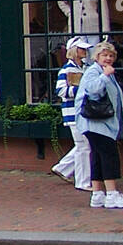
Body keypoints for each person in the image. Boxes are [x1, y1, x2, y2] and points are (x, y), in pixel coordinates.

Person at [75, 41, 123, 209]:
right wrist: (105, 76)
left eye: (110, 55)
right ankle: (112, 195)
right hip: (97, 123)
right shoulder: (96, 72)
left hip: (98, 124)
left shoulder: (103, 71)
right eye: (104, 55)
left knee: (98, 157)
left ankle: (97, 194)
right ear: (97, 57)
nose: (108, 58)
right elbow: (93, 90)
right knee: (109, 156)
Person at [51, 36, 92, 191]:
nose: (85, 51)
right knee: (84, 146)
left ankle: (63, 168)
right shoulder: (67, 69)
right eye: (82, 48)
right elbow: (60, 90)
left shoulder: (84, 68)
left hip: (82, 112)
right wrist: (82, 89)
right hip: (73, 113)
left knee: (84, 145)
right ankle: (82, 181)